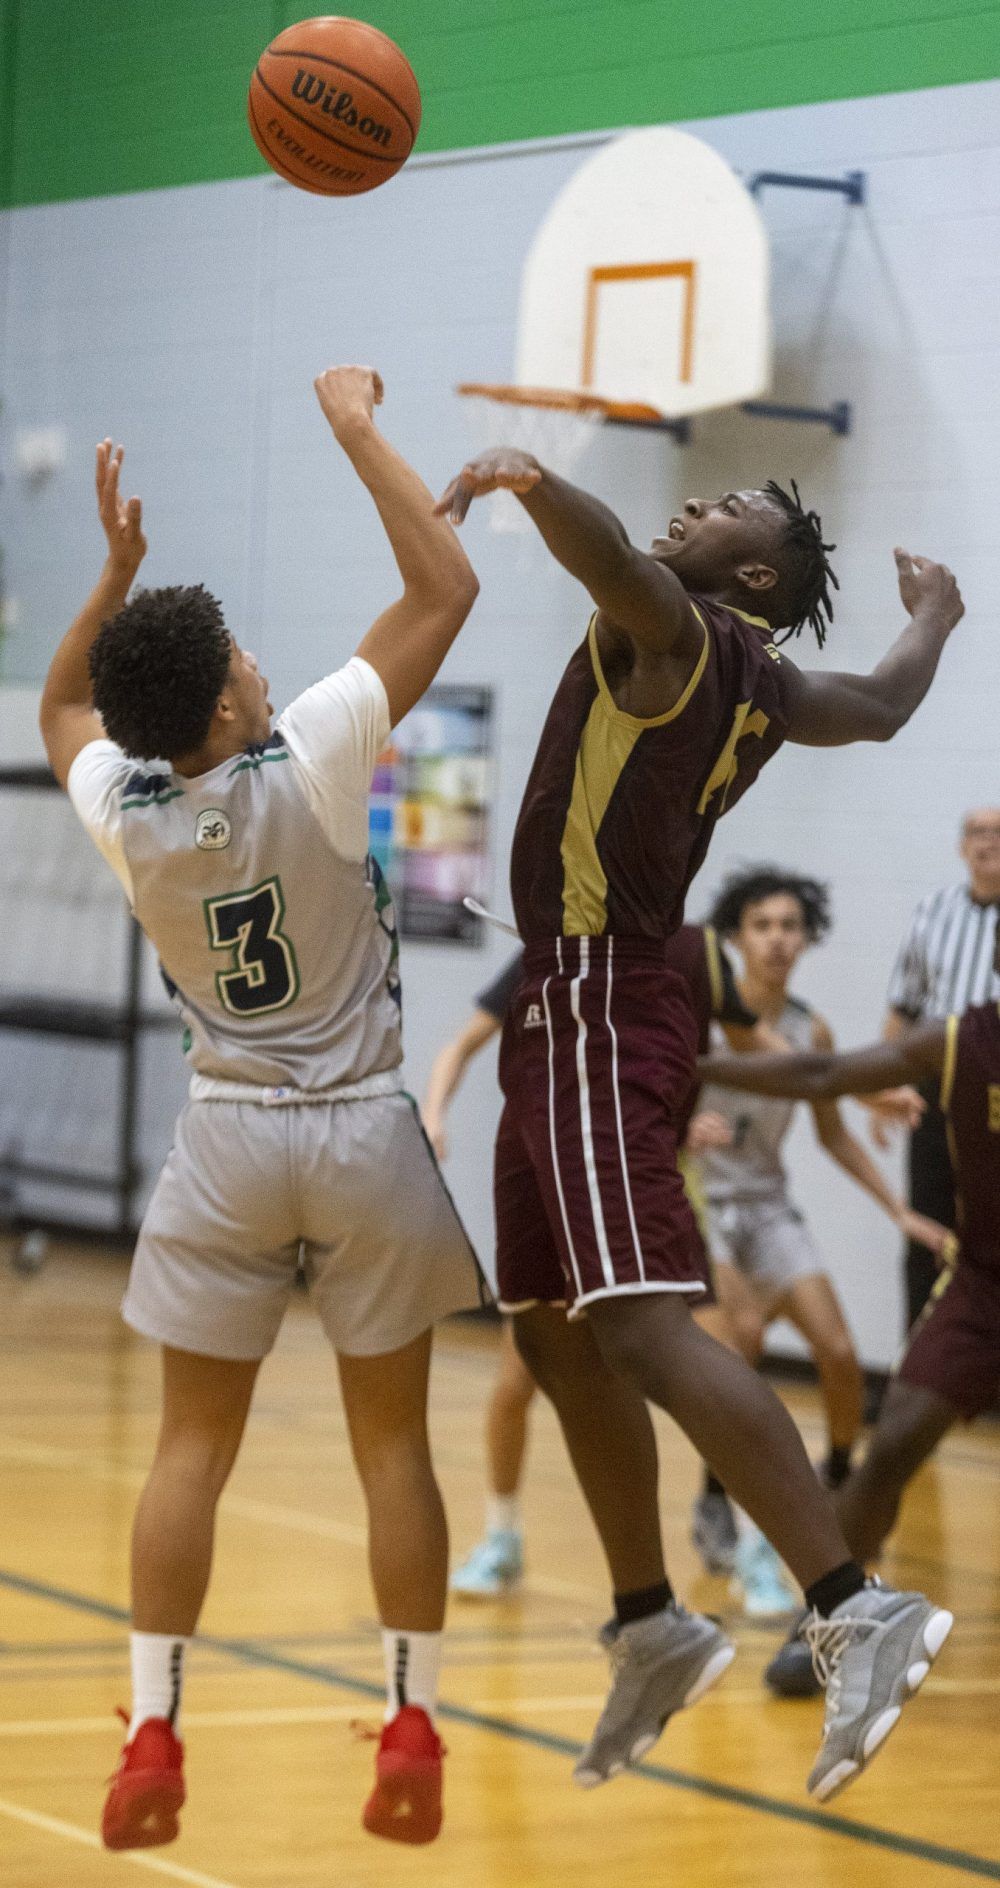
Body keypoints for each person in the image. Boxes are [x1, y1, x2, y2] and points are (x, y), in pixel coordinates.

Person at [436, 445, 961, 1802]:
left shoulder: (670, 626)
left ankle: (856, 1606)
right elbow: (890, 707)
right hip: (569, 1000)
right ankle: (653, 1621)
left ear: (751, 574)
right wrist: (934, 616)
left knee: (648, 1324)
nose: (693, 503)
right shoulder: (773, 685)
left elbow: (610, 556)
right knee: (554, 1331)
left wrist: (531, 480)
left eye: (722, 508)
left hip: (608, 998)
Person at [40, 368, 484, 1851]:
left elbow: (57, 702)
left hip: (227, 1140)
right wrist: (358, 429)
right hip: (361, 1132)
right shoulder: (316, 751)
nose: (249, 654)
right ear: (235, 693)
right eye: (235, 650)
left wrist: (106, 573)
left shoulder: (124, 810)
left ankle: (155, 1737)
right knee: (392, 1453)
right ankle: (411, 1718)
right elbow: (447, 581)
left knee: (187, 1454)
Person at [425, 934, 788, 1608]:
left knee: (721, 1365)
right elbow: (464, 1041)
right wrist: (434, 1109)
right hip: (564, 1190)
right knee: (517, 1381)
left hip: (654, 1192)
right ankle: (502, 1538)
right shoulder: (555, 944)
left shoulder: (696, 951)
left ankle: (754, 1551)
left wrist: (854, 1085)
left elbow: (762, 1049)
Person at [697, 943, 994, 1696]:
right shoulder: (964, 1038)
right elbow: (822, 1074)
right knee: (893, 1440)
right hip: (987, 1287)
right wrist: (696, 1068)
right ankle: (834, 1624)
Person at [697, 865, 952, 1496]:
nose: (778, 939)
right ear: (735, 939)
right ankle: (717, 1495)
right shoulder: (703, 1016)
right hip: (697, 1199)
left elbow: (830, 1131)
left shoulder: (812, 1031)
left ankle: (839, 1480)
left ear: (807, 939)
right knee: (745, 1339)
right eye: (762, 926)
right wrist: (683, 1123)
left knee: (839, 1354)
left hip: (766, 1201)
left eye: (790, 926)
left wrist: (898, 1210)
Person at [882, 808, 1000, 1328]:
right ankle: (917, 1360)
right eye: (978, 832)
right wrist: (881, 1089)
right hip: (936, 1089)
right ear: (961, 846)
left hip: (996, 1094)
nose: (989, 842)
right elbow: (902, 1008)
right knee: (925, 1225)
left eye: (999, 833)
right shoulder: (933, 910)